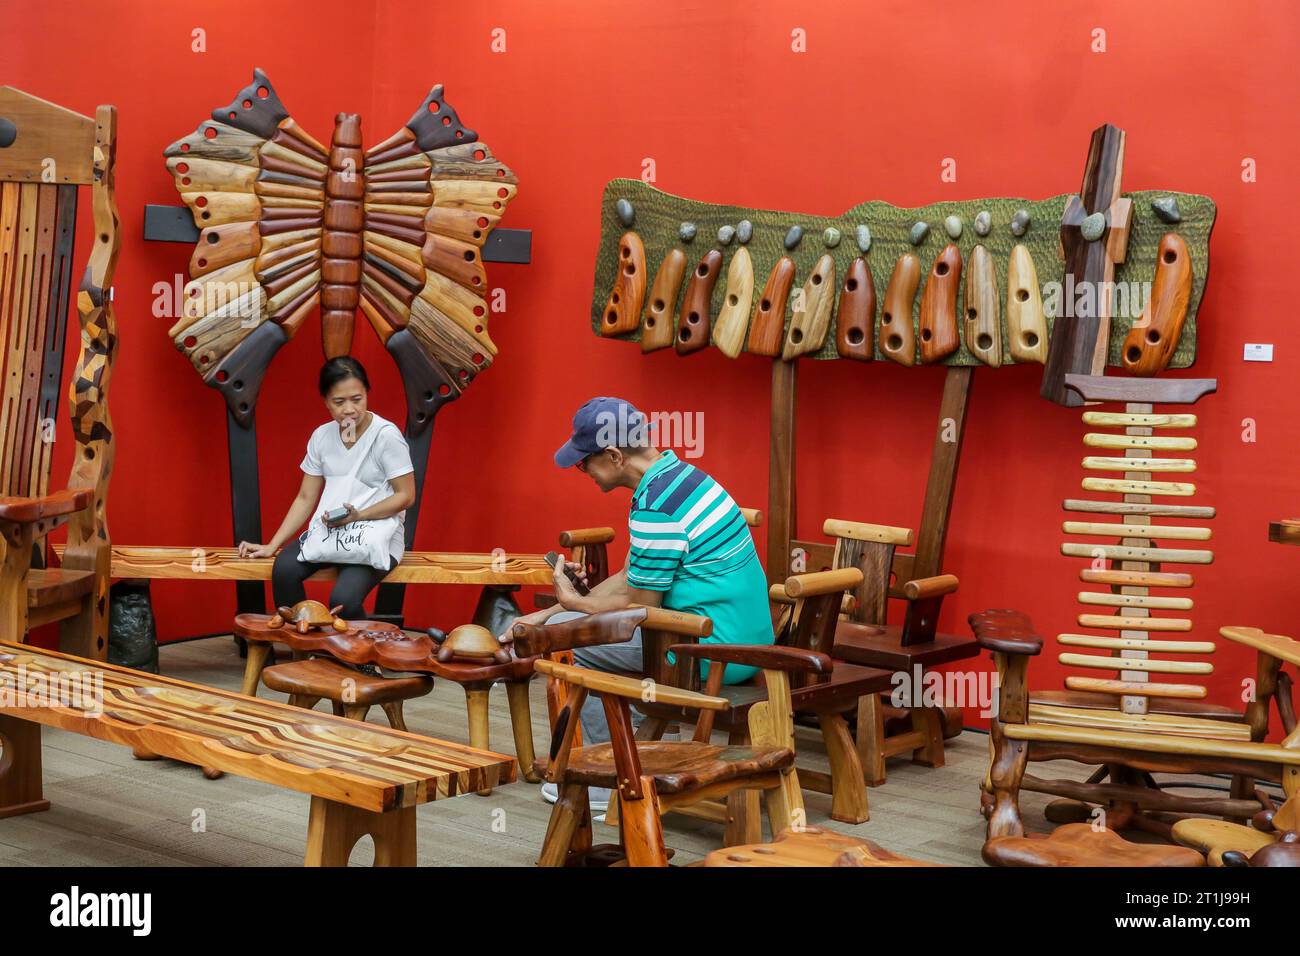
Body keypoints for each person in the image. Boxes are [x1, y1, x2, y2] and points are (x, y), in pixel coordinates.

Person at [507, 397, 772, 813]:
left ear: (613, 456)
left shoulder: (655, 508)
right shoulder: (679, 479)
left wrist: (572, 609)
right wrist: (552, 612)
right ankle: (634, 742)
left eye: (584, 463)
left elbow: (639, 611)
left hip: (712, 652)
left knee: (577, 644)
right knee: (571, 623)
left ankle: (608, 778)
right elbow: (631, 580)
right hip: (744, 638)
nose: (585, 474)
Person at [237, 356, 416, 619]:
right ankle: (306, 647)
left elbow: (406, 495)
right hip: (331, 531)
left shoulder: (386, 436)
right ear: (326, 402)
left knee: (343, 600)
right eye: (339, 402)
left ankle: (361, 658)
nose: (349, 410)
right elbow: (305, 497)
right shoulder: (321, 436)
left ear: (367, 393)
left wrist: (359, 515)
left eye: (357, 399)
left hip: (376, 536)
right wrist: (272, 544)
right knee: (284, 572)